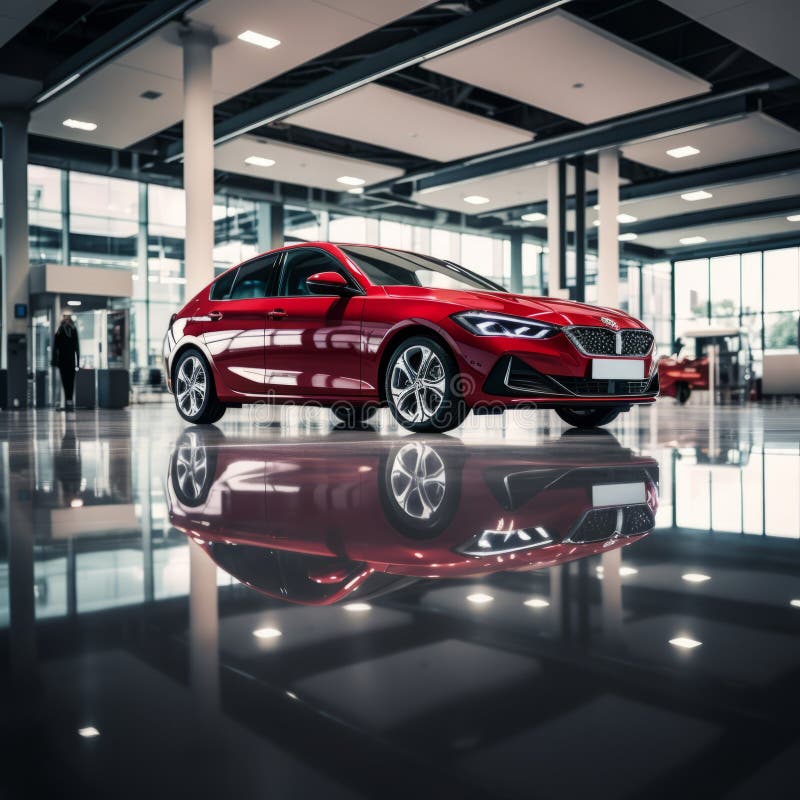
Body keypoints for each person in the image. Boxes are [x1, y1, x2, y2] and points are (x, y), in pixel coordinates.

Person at [51, 313, 80, 411]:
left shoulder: (68, 330)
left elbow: (76, 347)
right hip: (65, 360)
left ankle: (69, 401)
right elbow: (56, 347)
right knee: (67, 381)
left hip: (66, 360)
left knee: (68, 381)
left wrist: (78, 362)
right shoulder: (67, 330)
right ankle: (68, 401)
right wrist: (55, 360)